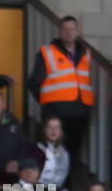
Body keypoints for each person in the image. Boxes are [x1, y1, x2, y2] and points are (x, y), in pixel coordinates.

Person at [27, 16, 93, 181]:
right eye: (64, 29)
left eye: (72, 29)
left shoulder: (85, 53)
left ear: (78, 31)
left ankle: (65, 190)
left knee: (72, 153)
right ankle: (47, 189)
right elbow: (33, 83)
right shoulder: (47, 52)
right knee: (50, 151)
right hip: (55, 111)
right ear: (59, 31)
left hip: (80, 111)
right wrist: (47, 101)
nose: (68, 33)